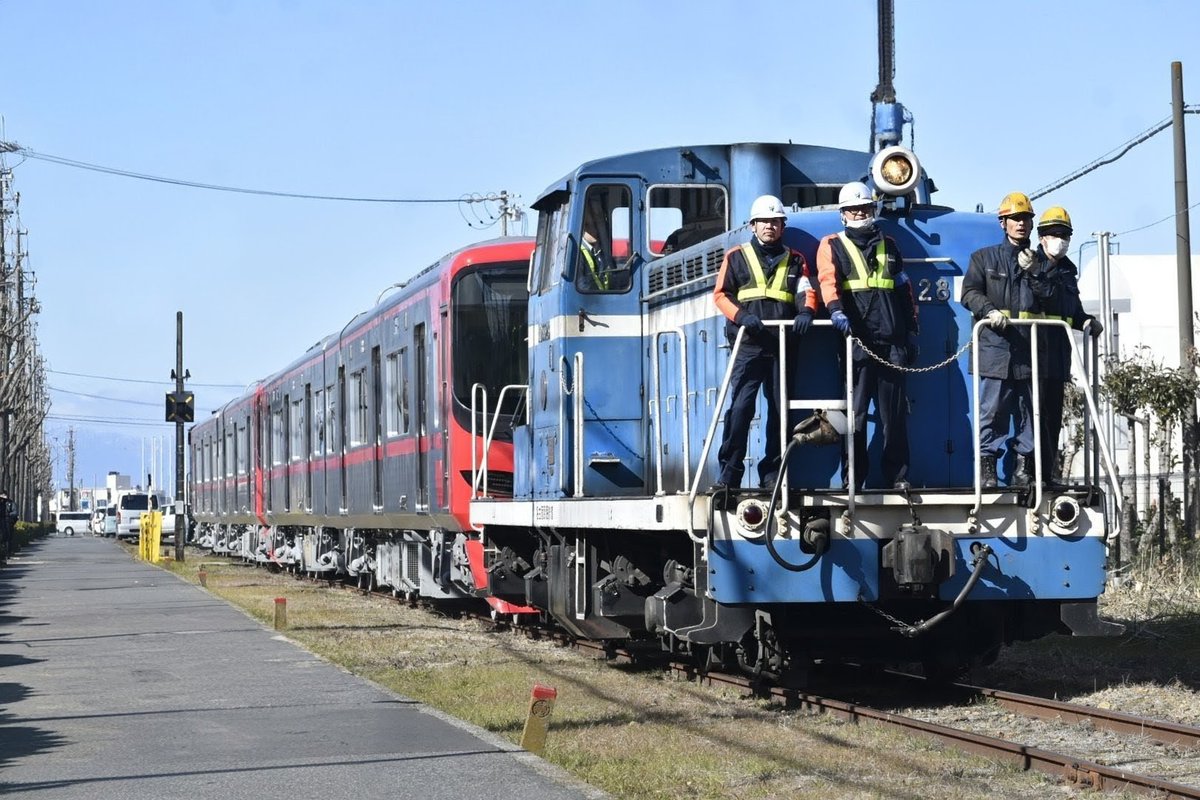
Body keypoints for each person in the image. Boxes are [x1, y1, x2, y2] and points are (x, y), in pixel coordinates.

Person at [711, 194, 818, 495]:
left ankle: (772, 474)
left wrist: (807, 312)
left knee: (780, 411)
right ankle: (729, 475)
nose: (769, 227)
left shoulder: (796, 260)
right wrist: (742, 316)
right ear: (753, 225)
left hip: (784, 344)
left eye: (775, 222)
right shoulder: (735, 256)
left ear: (782, 226)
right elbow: (721, 295)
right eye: (764, 222)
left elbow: (805, 291)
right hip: (748, 344)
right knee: (741, 409)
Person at [816, 181, 919, 490]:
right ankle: (854, 479)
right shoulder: (832, 245)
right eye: (853, 209)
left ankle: (898, 477)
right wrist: (835, 310)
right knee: (855, 417)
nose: (859, 213)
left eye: (864, 208)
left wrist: (912, 329)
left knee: (895, 417)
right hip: (855, 343)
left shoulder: (890, 245)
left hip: (892, 342)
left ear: (873, 209)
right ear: (843, 215)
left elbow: (903, 289)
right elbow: (827, 281)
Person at [961, 191, 1040, 488]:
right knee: (992, 412)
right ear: (1003, 223)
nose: (1021, 224)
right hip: (995, 350)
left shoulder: (1039, 263)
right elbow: (969, 293)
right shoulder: (984, 258)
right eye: (1015, 219)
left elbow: (1050, 297)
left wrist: (1037, 273)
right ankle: (988, 469)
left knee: (1029, 414)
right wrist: (989, 310)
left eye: (1025, 219)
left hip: (1028, 351)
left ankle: (1023, 469)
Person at [1028, 206, 1101, 482]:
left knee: (1052, 419)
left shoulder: (1068, 272)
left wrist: (1086, 321)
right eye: (1054, 233)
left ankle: (1047, 473)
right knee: (1031, 420)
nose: (1060, 239)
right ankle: (1030, 473)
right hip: (1031, 356)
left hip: (1058, 359)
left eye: (1064, 234)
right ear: (1042, 237)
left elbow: (1071, 310)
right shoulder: (1029, 265)